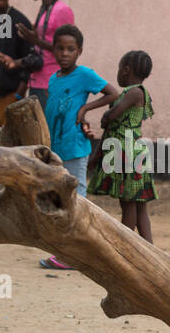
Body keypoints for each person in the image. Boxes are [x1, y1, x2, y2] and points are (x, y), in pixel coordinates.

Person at [40, 24, 120, 270]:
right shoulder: (54, 78)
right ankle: (68, 248)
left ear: (79, 51)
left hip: (75, 146)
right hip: (57, 147)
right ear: (53, 50)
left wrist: (85, 109)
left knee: (76, 196)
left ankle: (79, 251)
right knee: (59, 197)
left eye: (70, 49)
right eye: (60, 49)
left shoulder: (84, 74)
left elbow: (112, 94)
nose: (65, 53)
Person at [82, 50, 157, 242]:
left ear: (125, 70)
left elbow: (112, 115)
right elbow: (109, 126)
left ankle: (125, 245)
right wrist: (97, 154)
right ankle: (150, 249)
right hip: (128, 150)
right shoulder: (135, 93)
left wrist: (106, 116)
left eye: (118, 69)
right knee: (138, 205)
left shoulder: (135, 91)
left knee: (129, 204)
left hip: (127, 152)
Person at [15, 0, 75, 110]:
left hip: (50, 81)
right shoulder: (44, 9)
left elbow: (66, 47)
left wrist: (34, 40)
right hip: (36, 79)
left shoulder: (62, 10)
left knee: (47, 130)